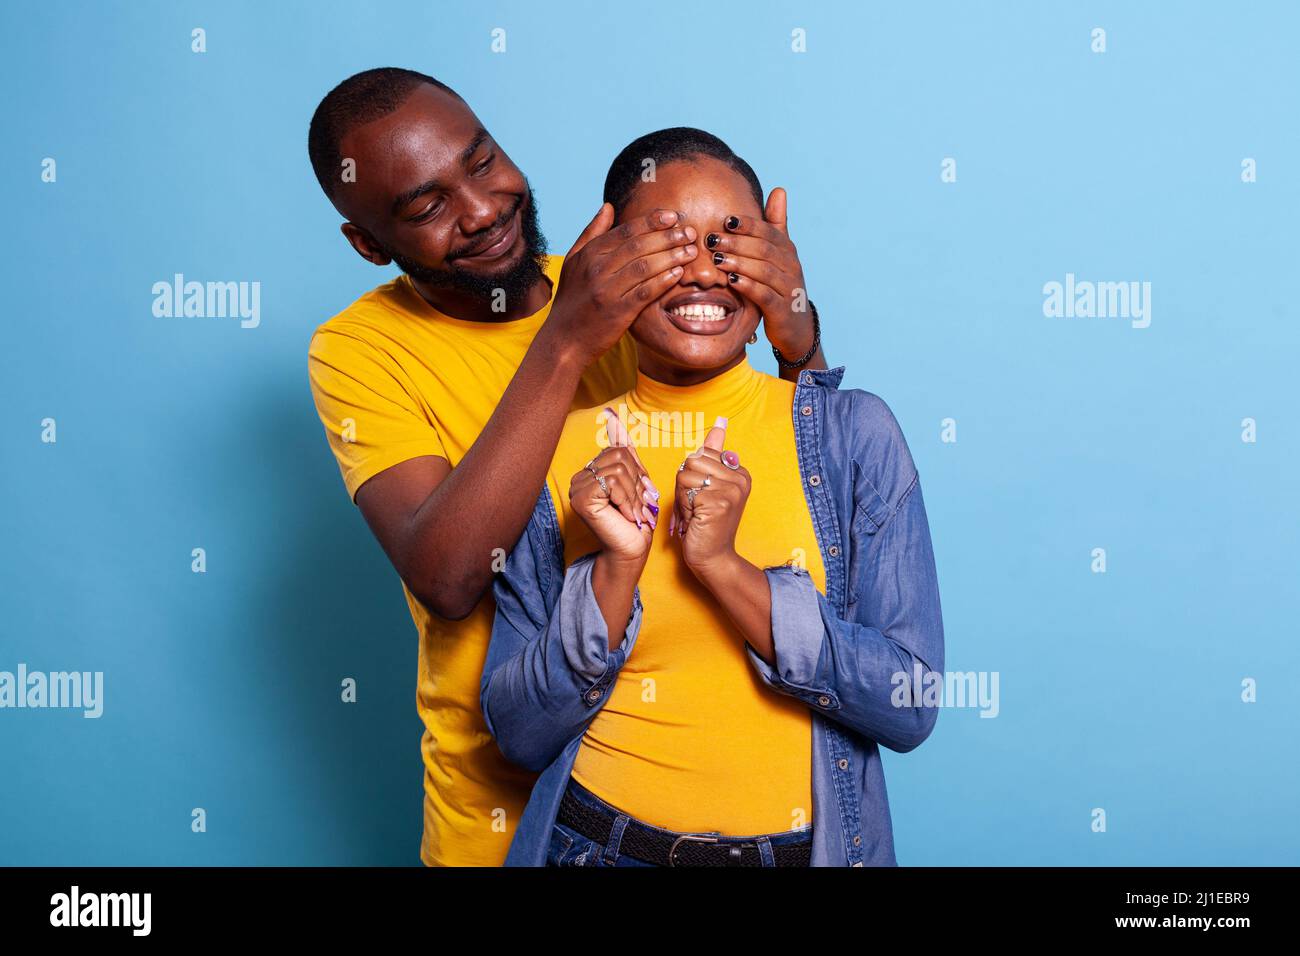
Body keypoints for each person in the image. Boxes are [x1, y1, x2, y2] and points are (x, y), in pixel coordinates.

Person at [304, 70, 826, 865]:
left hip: (675, 806)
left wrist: (799, 338)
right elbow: (447, 577)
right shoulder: (361, 351)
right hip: (500, 817)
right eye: (427, 206)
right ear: (370, 243)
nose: (481, 210)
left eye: (483, 163)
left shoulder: (625, 280)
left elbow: (801, 469)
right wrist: (566, 336)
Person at [481, 128, 944, 866]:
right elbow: (517, 731)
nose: (701, 272)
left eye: (729, 244)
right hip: (593, 845)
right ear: (607, 262)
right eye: (666, 244)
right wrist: (612, 571)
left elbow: (908, 705)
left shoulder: (855, 434)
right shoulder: (551, 455)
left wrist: (725, 570)